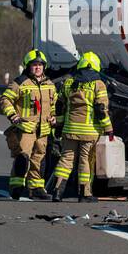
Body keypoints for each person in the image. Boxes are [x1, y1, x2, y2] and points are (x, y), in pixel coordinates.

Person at [46, 52, 114, 202]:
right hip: (89, 133)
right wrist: (109, 129)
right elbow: (101, 110)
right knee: (86, 162)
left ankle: (57, 192)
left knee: (65, 160)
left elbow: (61, 104)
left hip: (69, 130)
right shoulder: (98, 84)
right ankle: (84, 194)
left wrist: (58, 122)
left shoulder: (69, 83)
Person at [0, 49, 58, 200]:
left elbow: (53, 106)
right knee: (22, 158)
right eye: (34, 65)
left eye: (40, 65)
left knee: (39, 160)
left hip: (43, 130)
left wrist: (53, 118)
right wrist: (13, 115)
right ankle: (16, 187)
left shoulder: (50, 84)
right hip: (25, 129)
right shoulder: (20, 83)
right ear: (28, 66)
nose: (38, 67)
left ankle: (36, 188)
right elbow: (5, 100)